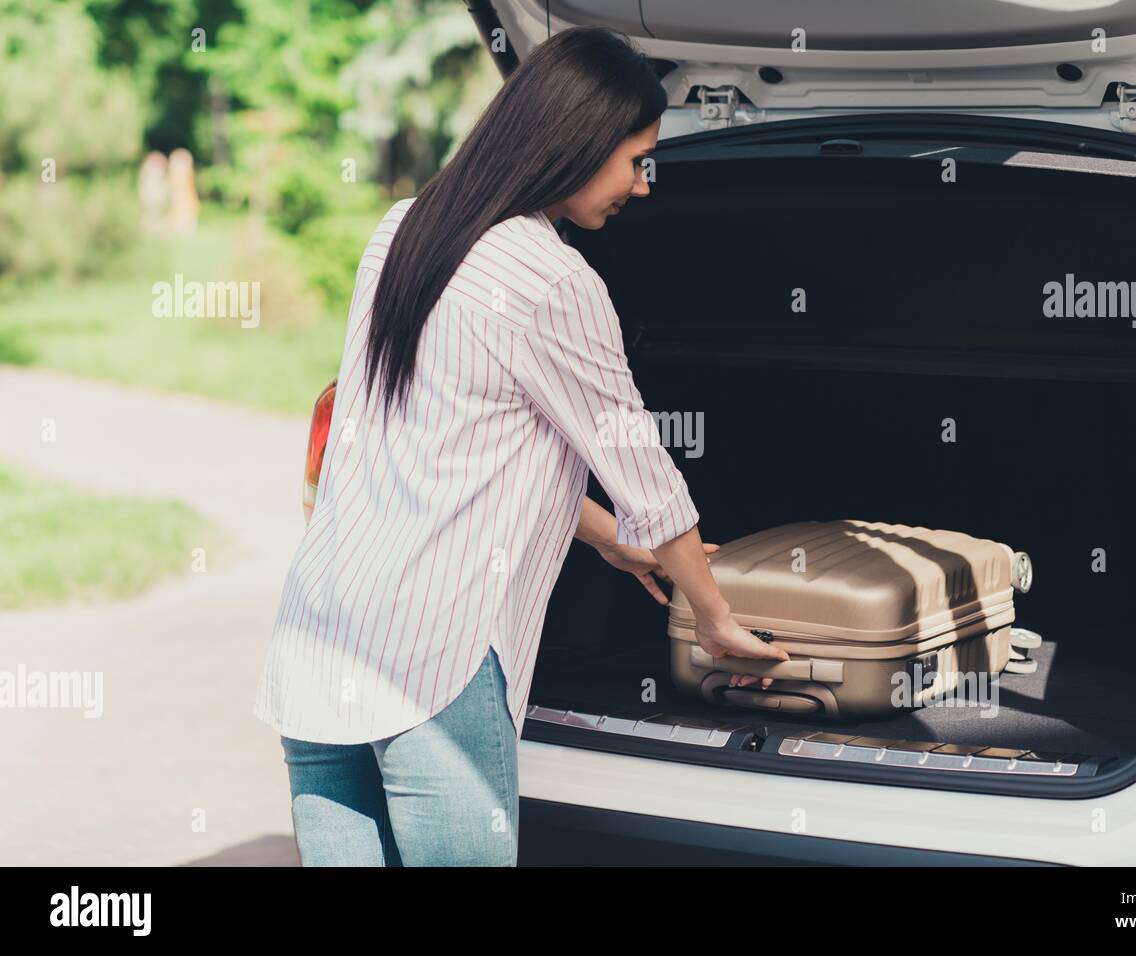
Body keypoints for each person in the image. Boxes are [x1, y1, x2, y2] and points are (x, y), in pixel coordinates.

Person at [252, 26, 788, 867]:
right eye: (635, 160)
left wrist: (609, 541)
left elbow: (451, 446)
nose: (642, 185)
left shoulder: (400, 228)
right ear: (577, 142)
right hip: (432, 664)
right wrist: (714, 620)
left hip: (319, 634)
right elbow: (647, 478)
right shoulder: (555, 281)